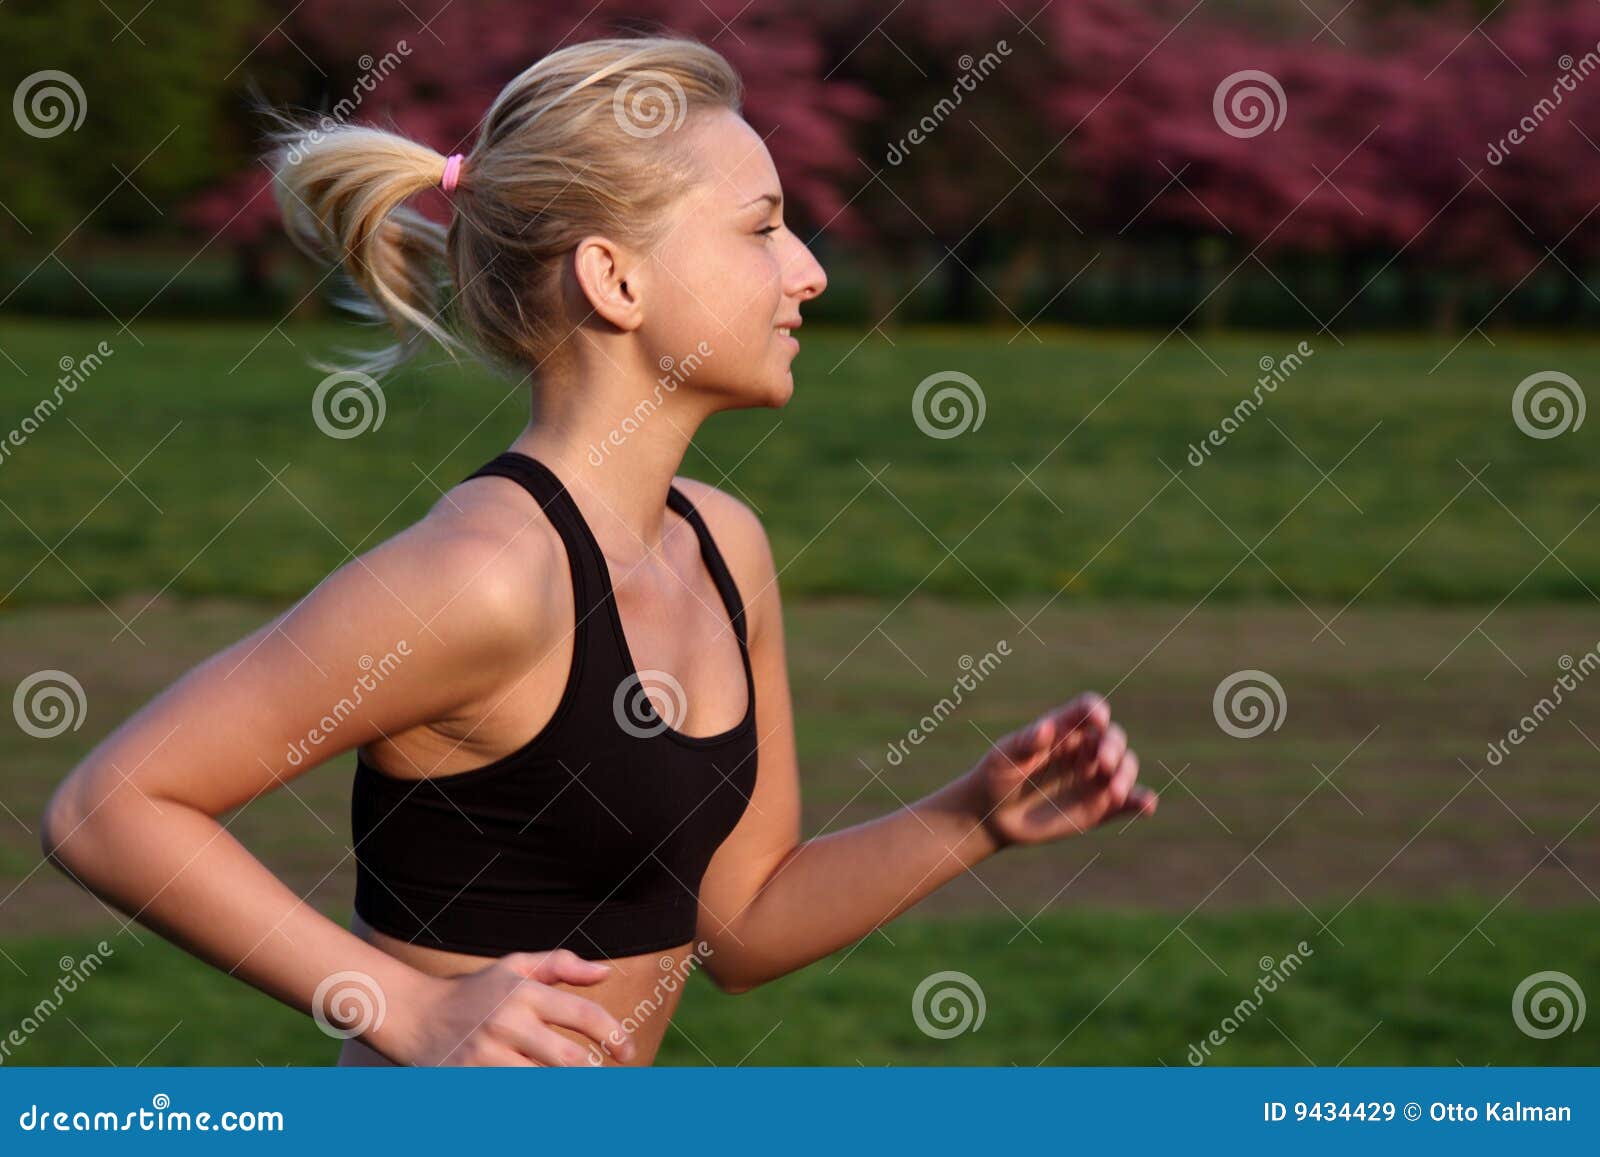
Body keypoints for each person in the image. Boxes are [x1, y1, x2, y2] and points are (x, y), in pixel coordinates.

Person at [40, 34, 1156, 1068]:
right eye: (761, 226)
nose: (807, 271)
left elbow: (738, 925)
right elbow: (113, 807)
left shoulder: (726, 546)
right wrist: (405, 1005)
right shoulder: (480, 576)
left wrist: (972, 817)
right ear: (616, 279)